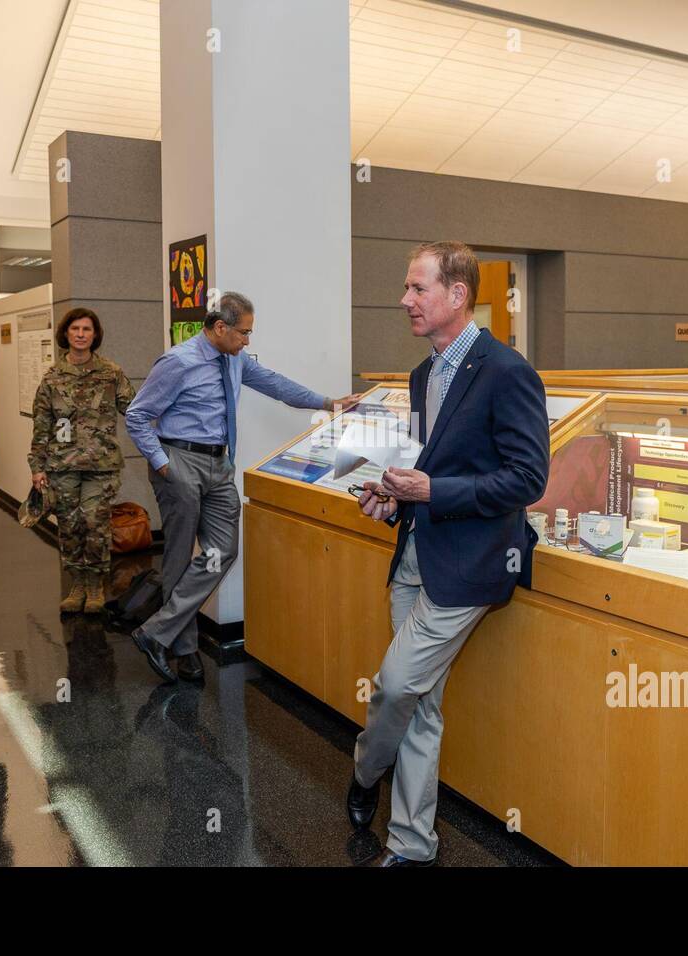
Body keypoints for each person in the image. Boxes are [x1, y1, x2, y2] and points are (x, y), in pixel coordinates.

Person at [351, 241, 549, 866]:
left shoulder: (506, 371)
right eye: (407, 289)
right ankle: (412, 842)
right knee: (420, 702)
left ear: (457, 295)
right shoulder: (421, 373)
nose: (404, 300)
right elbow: (417, 468)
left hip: (469, 564)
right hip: (415, 551)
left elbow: (526, 479)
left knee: (394, 685)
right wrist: (393, 499)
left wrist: (436, 490)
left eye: (417, 289)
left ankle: (362, 773)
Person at [125, 292, 358, 684]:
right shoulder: (178, 362)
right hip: (180, 460)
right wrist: (164, 466)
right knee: (179, 559)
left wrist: (328, 402)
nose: (248, 341)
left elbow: (275, 384)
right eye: (244, 333)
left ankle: (155, 632)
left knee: (222, 550)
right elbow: (137, 415)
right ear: (220, 327)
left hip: (219, 463)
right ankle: (185, 651)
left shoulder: (233, 360)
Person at [28, 307, 135, 614]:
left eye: (87, 329)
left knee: (95, 524)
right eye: (75, 329)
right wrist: (37, 467)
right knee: (70, 525)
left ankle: (95, 586)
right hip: (62, 466)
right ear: (66, 333)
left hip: (101, 466)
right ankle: (76, 584)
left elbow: (135, 409)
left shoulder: (111, 373)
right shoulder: (52, 378)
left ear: (95, 335)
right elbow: (42, 425)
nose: (80, 334)